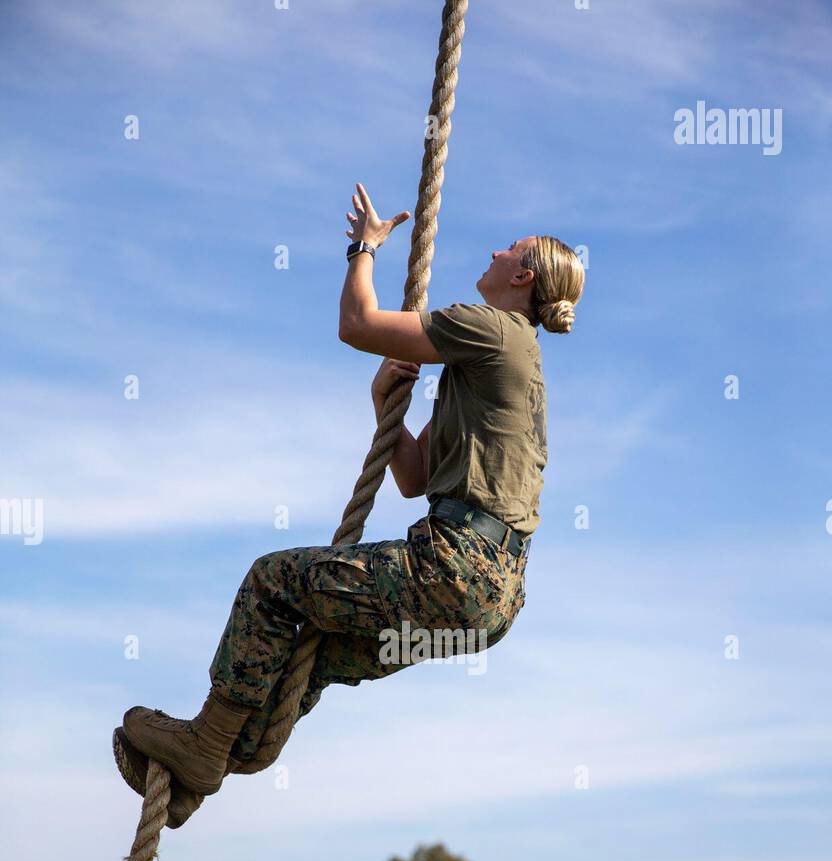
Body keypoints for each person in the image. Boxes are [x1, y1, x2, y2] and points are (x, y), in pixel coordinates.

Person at [115, 184, 585, 827]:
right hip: (490, 602)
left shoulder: (494, 330)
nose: (496, 251)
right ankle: (217, 763)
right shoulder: (498, 364)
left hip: (458, 567)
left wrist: (364, 248)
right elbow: (416, 478)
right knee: (319, 651)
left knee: (273, 580)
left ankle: (202, 743)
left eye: (510, 251)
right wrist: (381, 401)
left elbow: (356, 324)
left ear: (523, 276)